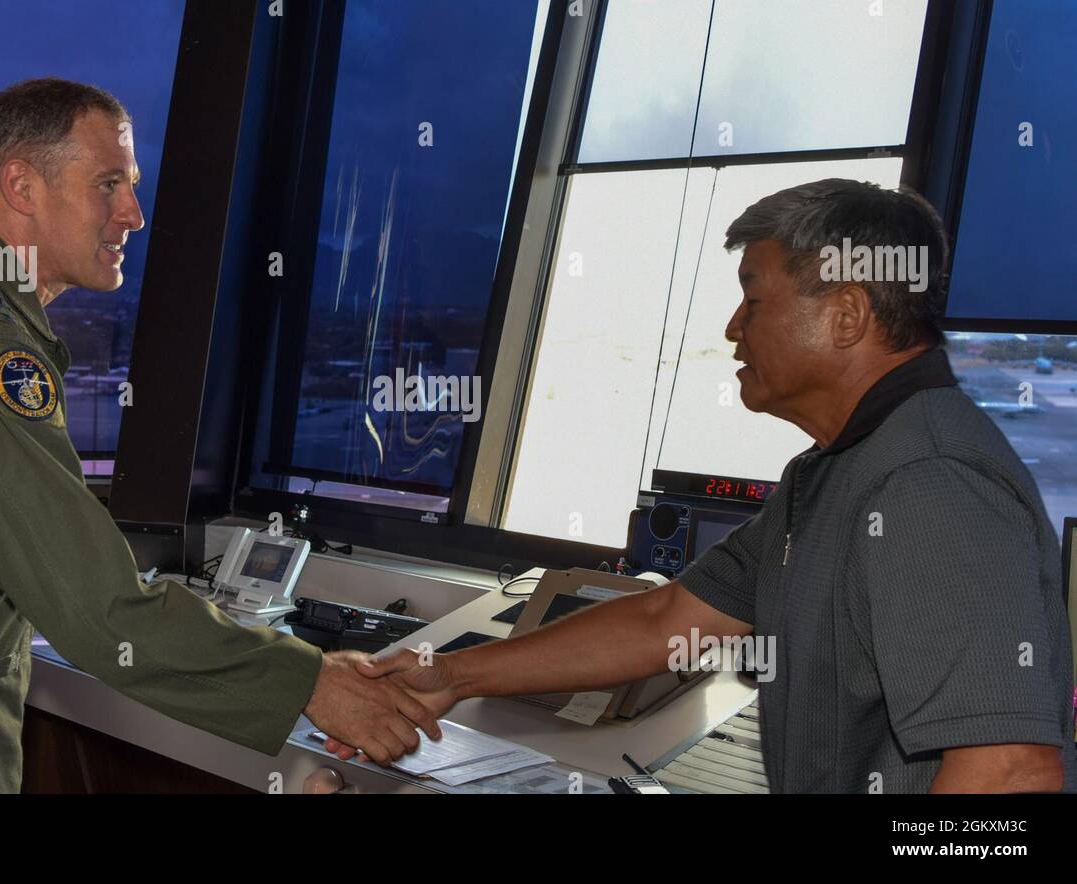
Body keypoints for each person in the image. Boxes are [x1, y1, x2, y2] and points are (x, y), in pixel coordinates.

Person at [0, 77, 438, 793]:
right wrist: (306, 680)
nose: (135, 214)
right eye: (109, 184)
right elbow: (95, 606)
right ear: (22, 186)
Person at [344, 179, 1077, 793]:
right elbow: (664, 621)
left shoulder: (930, 485)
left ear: (847, 315)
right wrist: (454, 674)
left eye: (753, 302)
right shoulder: (828, 473)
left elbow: (1009, 774)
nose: (733, 328)